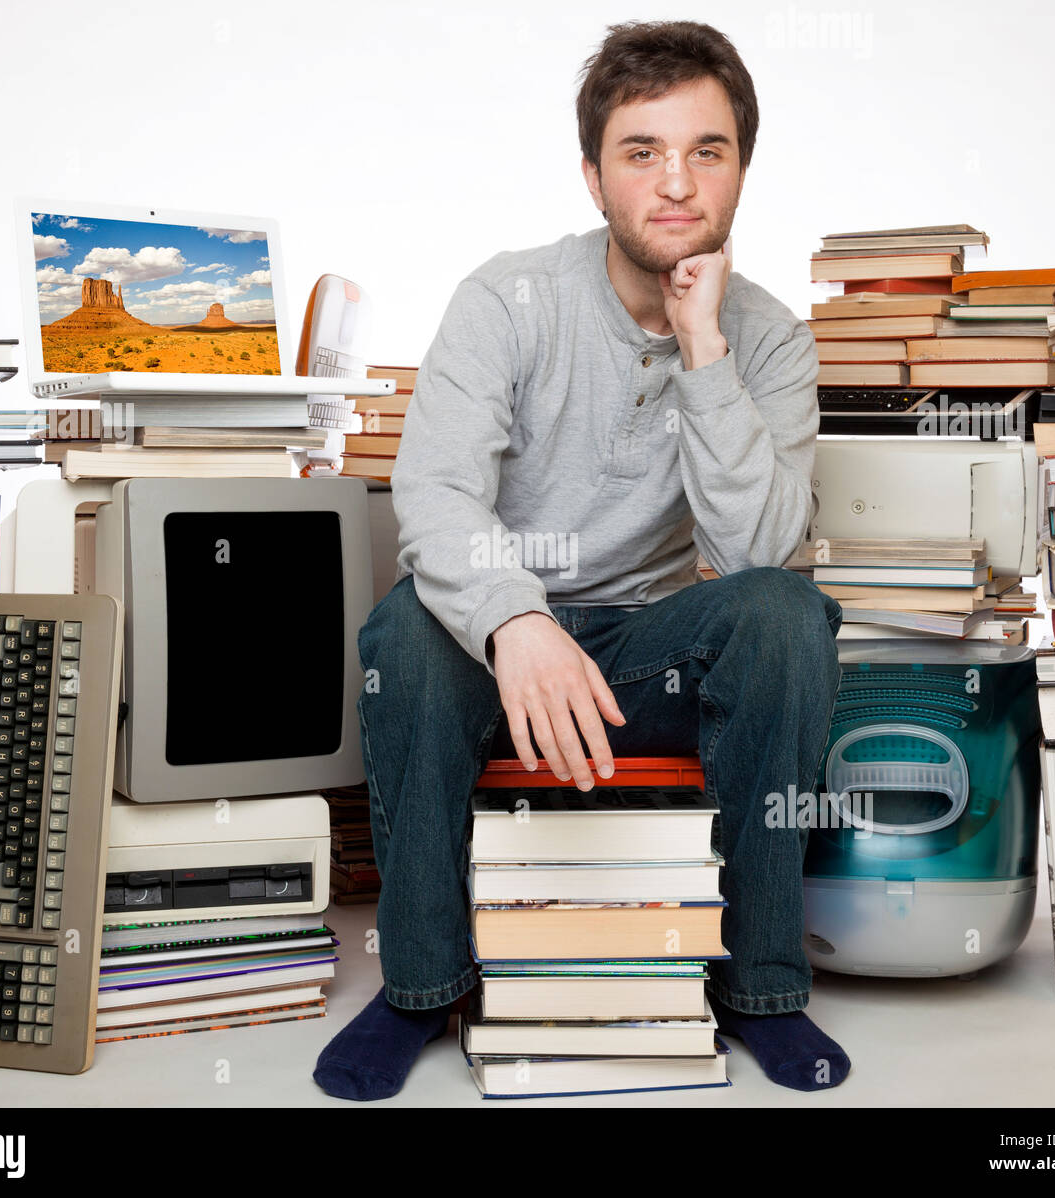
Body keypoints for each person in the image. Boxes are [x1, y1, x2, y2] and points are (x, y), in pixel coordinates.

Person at [314, 18, 849, 1101]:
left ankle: (761, 986)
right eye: (641, 151)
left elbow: (757, 551)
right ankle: (418, 985)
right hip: (492, 651)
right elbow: (435, 493)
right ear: (594, 176)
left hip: (642, 663)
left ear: (742, 167)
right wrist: (518, 621)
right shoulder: (508, 299)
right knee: (407, 625)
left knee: (788, 615)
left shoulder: (773, 339)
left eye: (707, 150)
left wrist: (704, 346)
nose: (676, 183)